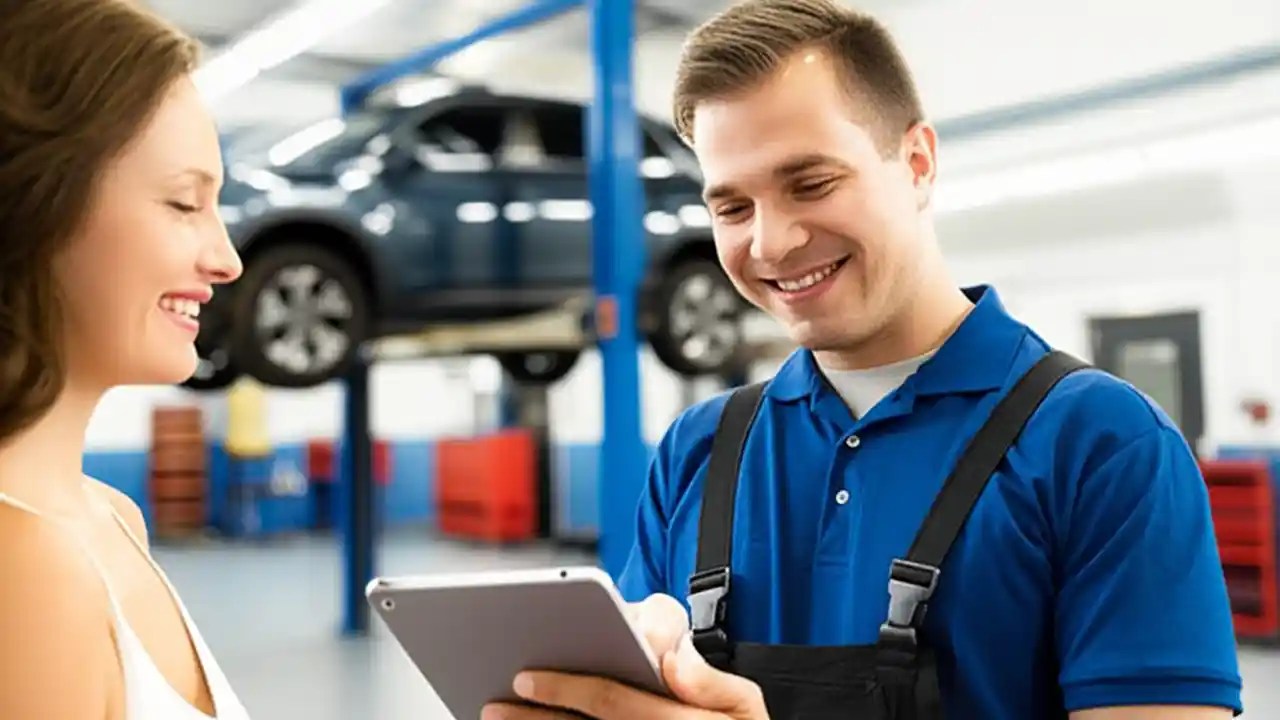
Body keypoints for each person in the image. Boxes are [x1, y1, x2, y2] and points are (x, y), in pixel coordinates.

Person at [482, 1, 1243, 719]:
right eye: (732, 207)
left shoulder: (1103, 445)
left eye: (810, 183)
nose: (771, 244)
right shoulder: (697, 453)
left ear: (916, 162)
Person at [0, 1, 250, 718]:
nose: (226, 258)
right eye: (183, 204)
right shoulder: (26, 570)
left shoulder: (111, 518)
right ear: (37, 205)